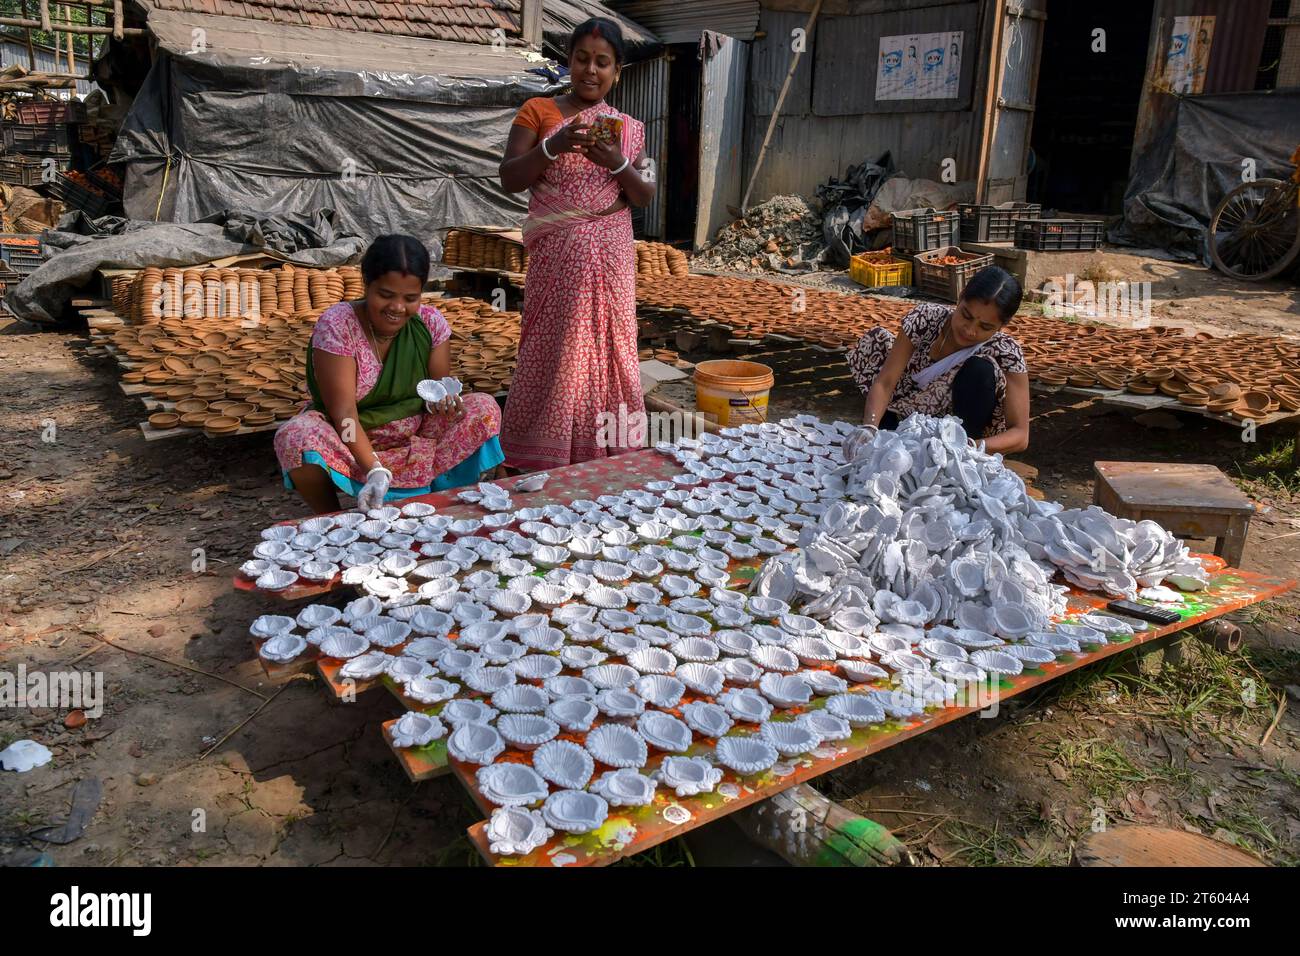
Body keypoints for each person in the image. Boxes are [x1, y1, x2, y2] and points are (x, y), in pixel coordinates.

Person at [497, 17, 656, 471]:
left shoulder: (628, 128)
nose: (591, 70)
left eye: (602, 62)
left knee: (614, 347)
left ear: (617, 71)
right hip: (558, 259)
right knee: (557, 347)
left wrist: (618, 161)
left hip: (611, 257)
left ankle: (610, 451)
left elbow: (643, 193)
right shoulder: (538, 111)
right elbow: (509, 177)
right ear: (568, 62)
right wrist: (554, 145)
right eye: (582, 59)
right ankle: (540, 453)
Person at [274, 234, 504, 513]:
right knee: (296, 435)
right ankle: (331, 518)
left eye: (410, 298)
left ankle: (441, 499)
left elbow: (437, 390)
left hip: (416, 433)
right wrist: (374, 469)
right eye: (386, 295)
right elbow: (344, 413)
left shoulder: (430, 323)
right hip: (351, 436)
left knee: (483, 407)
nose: (397, 308)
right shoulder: (338, 325)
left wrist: (442, 404)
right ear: (367, 285)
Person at [847, 266, 1030, 453]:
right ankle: (888, 430)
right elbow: (885, 383)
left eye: (985, 327)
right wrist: (870, 427)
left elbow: (1020, 435)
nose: (969, 330)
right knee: (877, 341)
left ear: (1002, 326)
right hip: (905, 412)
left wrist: (969, 446)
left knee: (980, 369)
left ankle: (956, 457)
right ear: (960, 297)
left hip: (956, 434)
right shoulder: (926, 318)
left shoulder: (1006, 353)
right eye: (966, 315)